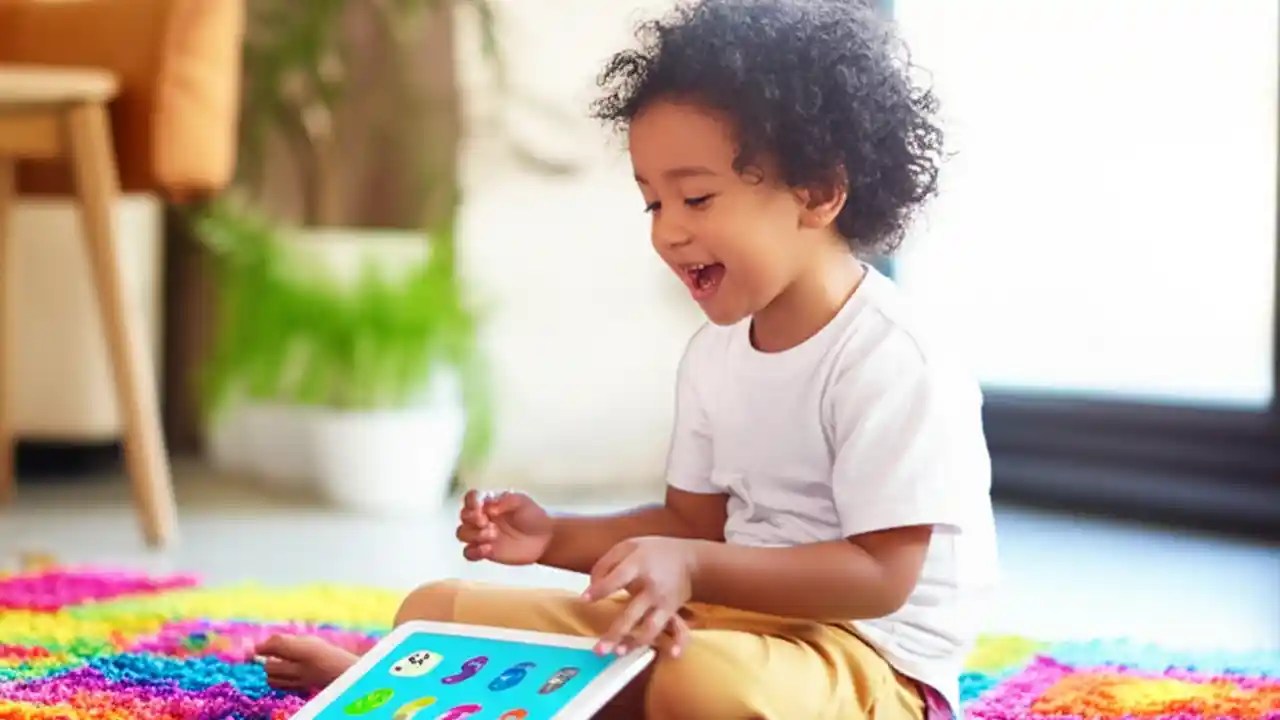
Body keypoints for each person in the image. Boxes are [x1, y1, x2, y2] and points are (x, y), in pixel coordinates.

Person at [255, 0, 997, 717]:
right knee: (432, 610)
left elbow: (880, 577)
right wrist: (556, 537)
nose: (667, 233)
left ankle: (466, 701)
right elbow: (690, 524)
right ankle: (413, 691)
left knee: (697, 687)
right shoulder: (715, 355)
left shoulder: (893, 360)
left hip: (867, 663)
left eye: (696, 199)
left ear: (818, 192)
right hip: (723, 619)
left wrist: (695, 571)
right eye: (653, 203)